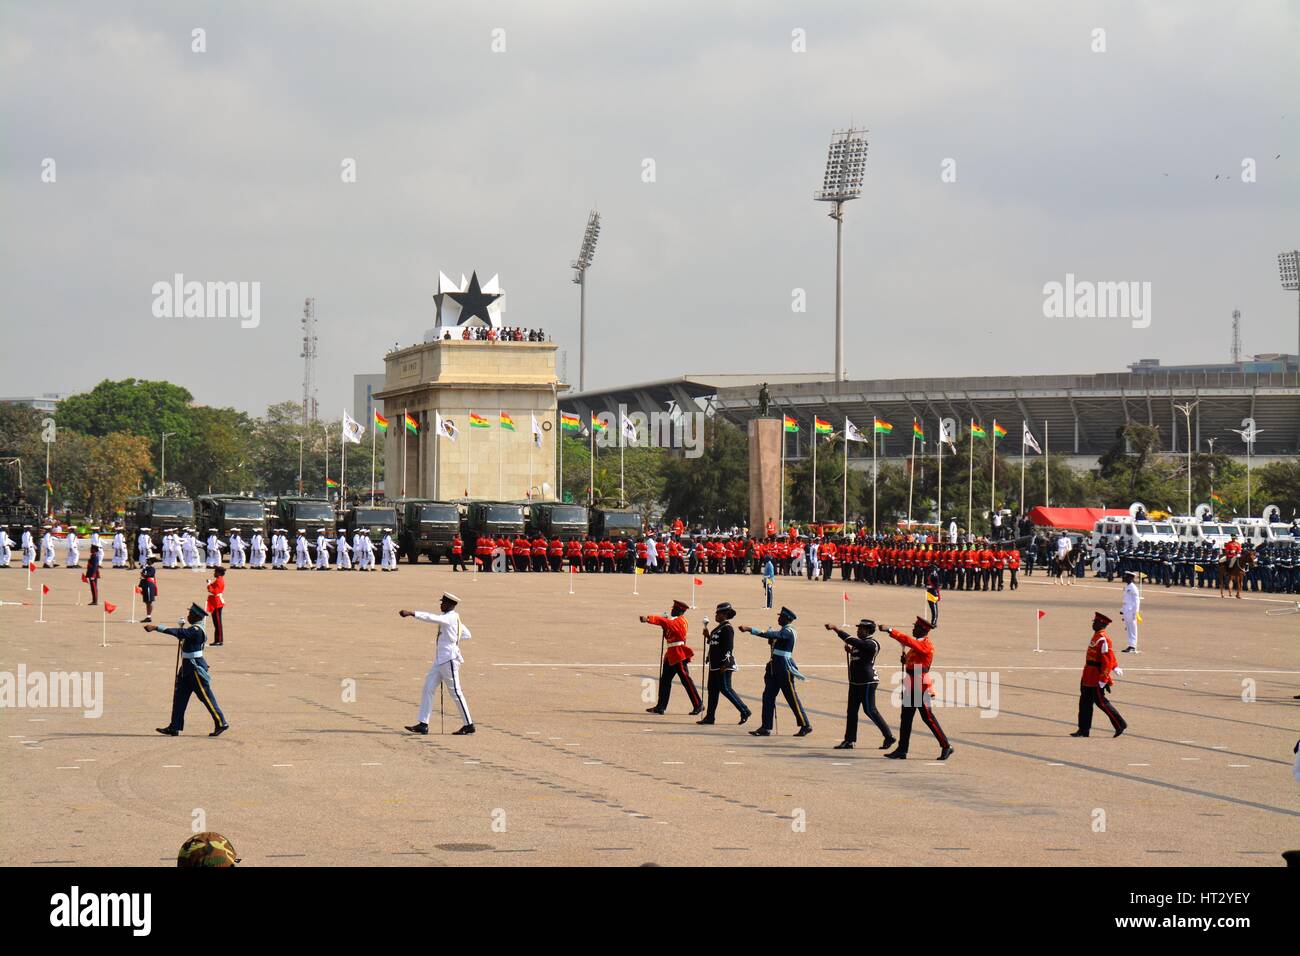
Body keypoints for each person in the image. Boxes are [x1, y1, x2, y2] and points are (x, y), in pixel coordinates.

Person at [148, 603, 229, 737]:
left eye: (190, 614)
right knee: (179, 697)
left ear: (196, 616)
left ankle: (221, 722)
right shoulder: (194, 629)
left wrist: (157, 627)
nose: (188, 616)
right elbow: (183, 635)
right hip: (186, 667)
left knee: (206, 696)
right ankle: (174, 726)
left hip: (195, 668)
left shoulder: (196, 630)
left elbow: (180, 633)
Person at [402, 592, 475, 735]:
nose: (440, 604)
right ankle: (423, 724)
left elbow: (431, 618)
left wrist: (412, 613)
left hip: (449, 660)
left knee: (456, 692)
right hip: (440, 661)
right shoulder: (452, 618)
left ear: (450, 605)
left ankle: (469, 725)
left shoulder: (449, 618)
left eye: (443, 603)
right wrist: (453, 638)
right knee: (428, 687)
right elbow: (466, 634)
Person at [884, 616, 953, 760]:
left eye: (915, 627)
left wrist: (891, 631)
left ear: (923, 630)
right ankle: (902, 749)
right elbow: (912, 657)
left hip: (921, 686)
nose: (913, 629)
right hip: (911, 684)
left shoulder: (925, 645)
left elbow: (909, 641)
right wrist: (906, 661)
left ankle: (946, 746)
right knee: (906, 719)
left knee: (928, 718)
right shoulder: (917, 645)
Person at [739, 606, 812, 737]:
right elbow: (776, 641)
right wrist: (772, 643)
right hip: (774, 667)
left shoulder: (789, 631)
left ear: (787, 619)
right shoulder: (784, 631)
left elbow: (775, 635)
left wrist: (751, 629)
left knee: (791, 697)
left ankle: (805, 724)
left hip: (784, 668)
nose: (778, 618)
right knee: (768, 696)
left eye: (781, 617)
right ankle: (766, 727)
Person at [825, 619, 894, 750]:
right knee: (851, 711)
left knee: (870, 710)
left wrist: (836, 628)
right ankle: (849, 740)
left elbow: (853, 641)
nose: (858, 631)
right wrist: (851, 652)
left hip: (867, 681)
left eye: (861, 629)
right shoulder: (861, 644)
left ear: (868, 630)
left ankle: (889, 736)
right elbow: (859, 652)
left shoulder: (872, 644)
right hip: (856, 682)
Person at [641, 600, 703, 715]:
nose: (672, 610)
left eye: (674, 609)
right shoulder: (674, 621)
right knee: (665, 681)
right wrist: (664, 627)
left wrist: (649, 619)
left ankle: (698, 704)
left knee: (686, 680)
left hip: (678, 654)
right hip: (671, 654)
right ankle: (661, 706)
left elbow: (668, 624)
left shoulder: (680, 621)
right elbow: (668, 634)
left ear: (679, 611)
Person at [1072, 612, 1127, 738]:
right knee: (1084, 703)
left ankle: (1120, 724)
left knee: (1101, 702)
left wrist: (1104, 677)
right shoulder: (1096, 636)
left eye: (1095, 622)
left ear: (1101, 624)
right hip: (1088, 674)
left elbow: (1107, 658)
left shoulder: (1103, 638)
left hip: (1096, 676)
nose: (1093, 623)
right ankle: (1083, 730)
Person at [697, 602, 751, 725]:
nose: (716, 615)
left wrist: (725, 664)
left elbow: (728, 647)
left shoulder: (727, 628)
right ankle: (710, 717)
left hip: (722, 665)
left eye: (719, 613)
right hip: (714, 665)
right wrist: (708, 638)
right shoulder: (719, 628)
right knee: (712, 690)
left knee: (726, 689)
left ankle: (744, 710)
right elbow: (716, 644)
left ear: (725, 614)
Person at [1120, 570, 1141, 653]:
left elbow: (1137, 601)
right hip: (1126, 610)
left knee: (1132, 628)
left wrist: (1136, 612)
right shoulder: (1127, 586)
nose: (1124, 577)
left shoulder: (1133, 588)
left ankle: (1133, 646)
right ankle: (1130, 645)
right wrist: (1122, 610)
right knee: (1128, 628)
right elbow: (1126, 599)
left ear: (1130, 578)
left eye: (1126, 576)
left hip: (1131, 611)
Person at [206, 566, 226, 647]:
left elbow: (214, 591)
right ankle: (218, 640)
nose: (214, 573)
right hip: (216, 602)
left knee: (217, 623)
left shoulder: (219, 581)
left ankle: (219, 641)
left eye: (215, 572)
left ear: (219, 573)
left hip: (217, 603)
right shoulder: (218, 580)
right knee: (216, 623)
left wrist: (209, 584)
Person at [138, 556, 158, 623]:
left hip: (149, 585)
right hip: (145, 585)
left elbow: (149, 575)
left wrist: (144, 571)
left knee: (149, 601)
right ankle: (148, 616)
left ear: (151, 562)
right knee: (147, 601)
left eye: (148, 560)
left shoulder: (152, 568)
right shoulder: (145, 568)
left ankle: (149, 617)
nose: (147, 561)